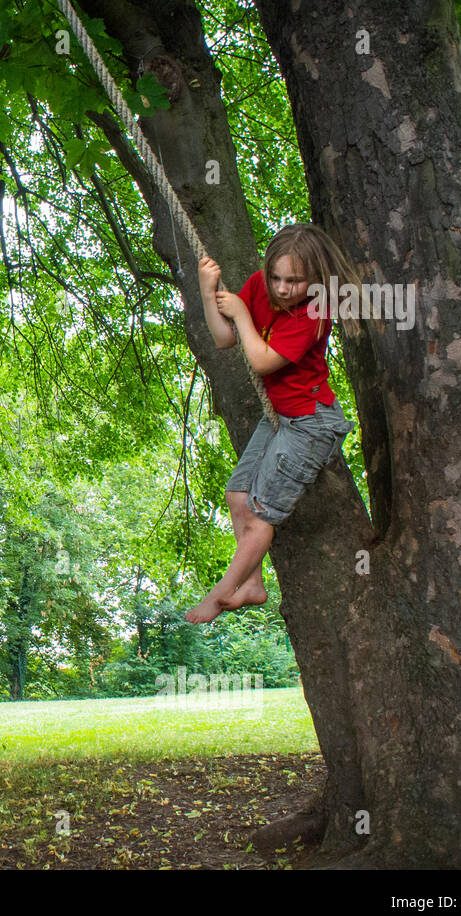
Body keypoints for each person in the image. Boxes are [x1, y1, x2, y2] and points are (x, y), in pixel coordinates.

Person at [184, 223, 357, 625]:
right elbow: (225, 339)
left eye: (294, 280)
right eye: (276, 277)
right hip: (281, 415)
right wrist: (208, 293)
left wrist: (242, 313)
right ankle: (252, 586)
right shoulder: (259, 286)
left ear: (315, 278)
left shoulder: (316, 311)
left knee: (260, 516)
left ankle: (219, 593)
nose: (281, 288)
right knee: (238, 496)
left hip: (312, 423)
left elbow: (262, 360)